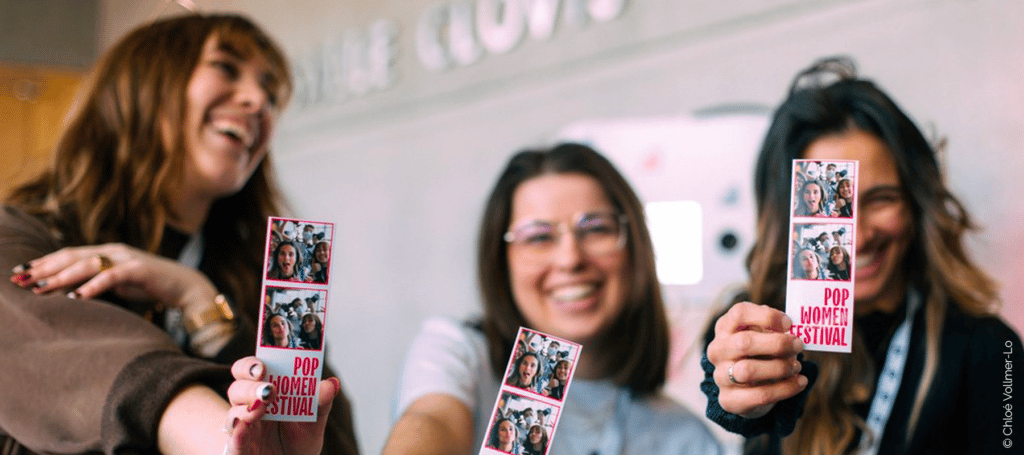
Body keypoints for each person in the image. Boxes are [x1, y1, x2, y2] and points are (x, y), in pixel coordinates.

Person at [0, 13, 358, 455]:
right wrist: (224, 441)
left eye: (269, 92)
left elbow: (335, 443)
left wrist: (204, 305)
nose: (257, 101)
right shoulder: (16, 240)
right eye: (226, 67)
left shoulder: (262, 279)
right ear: (144, 85)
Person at [700, 56, 1022, 455]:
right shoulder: (762, 333)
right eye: (832, 210)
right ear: (787, 220)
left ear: (916, 202)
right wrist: (739, 390)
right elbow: (737, 398)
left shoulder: (990, 349)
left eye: (881, 199)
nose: (860, 236)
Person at [383, 143, 722, 455]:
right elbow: (431, 419)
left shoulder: (685, 438)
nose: (570, 259)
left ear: (635, 248)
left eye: (595, 229)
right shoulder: (460, 355)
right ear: (501, 262)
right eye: (538, 237)